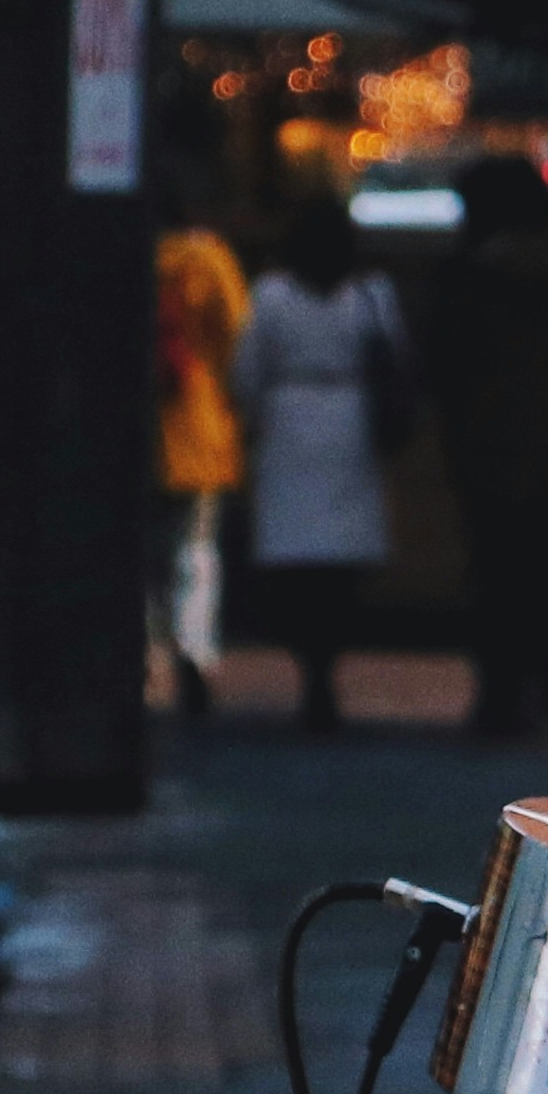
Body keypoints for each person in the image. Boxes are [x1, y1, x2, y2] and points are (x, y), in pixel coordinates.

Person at [419, 156, 548, 740]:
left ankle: (498, 687)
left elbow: (442, 360)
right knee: (547, 568)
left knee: (493, 565)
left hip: (486, 442)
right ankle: (545, 675)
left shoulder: (465, 276)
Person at [233, 196, 412, 731]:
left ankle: (310, 668)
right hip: (349, 424)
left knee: (295, 561)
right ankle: (326, 667)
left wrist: (253, 419)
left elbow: (245, 371)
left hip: (289, 424)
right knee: (339, 565)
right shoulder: (370, 295)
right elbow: (398, 360)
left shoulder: (270, 295)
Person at [151, 208, 252, 721]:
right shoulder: (208, 259)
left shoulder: (134, 249)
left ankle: (146, 660)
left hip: (141, 430)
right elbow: (240, 339)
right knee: (194, 551)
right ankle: (192, 652)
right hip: (198, 424)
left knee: (138, 556)